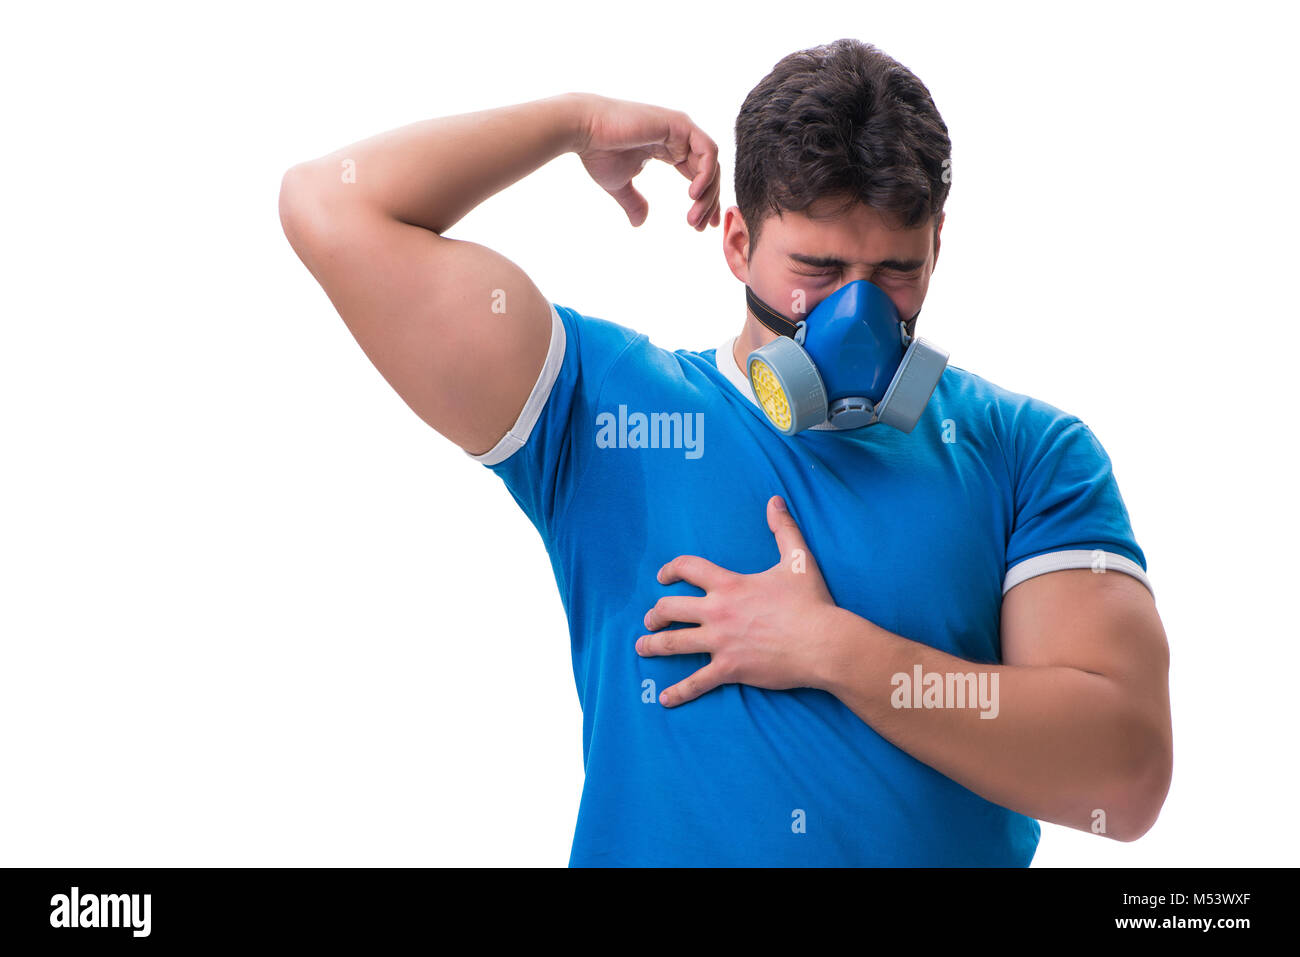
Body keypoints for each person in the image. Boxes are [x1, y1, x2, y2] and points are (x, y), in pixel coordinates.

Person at [278, 38, 1172, 866]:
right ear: (738, 243)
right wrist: (572, 122)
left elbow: (1123, 776)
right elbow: (331, 203)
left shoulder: (1027, 452)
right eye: (816, 270)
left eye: (895, 272)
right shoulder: (602, 409)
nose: (854, 316)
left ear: (937, 247)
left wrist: (832, 649)